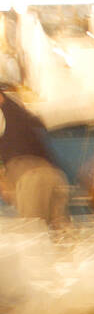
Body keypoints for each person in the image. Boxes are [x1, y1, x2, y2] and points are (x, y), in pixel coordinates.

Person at [0, 87, 68, 226]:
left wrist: (3, 183)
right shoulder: (17, 109)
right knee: (60, 237)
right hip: (53, 174)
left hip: (32, 179)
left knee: (33, 234)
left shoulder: (8, 111)